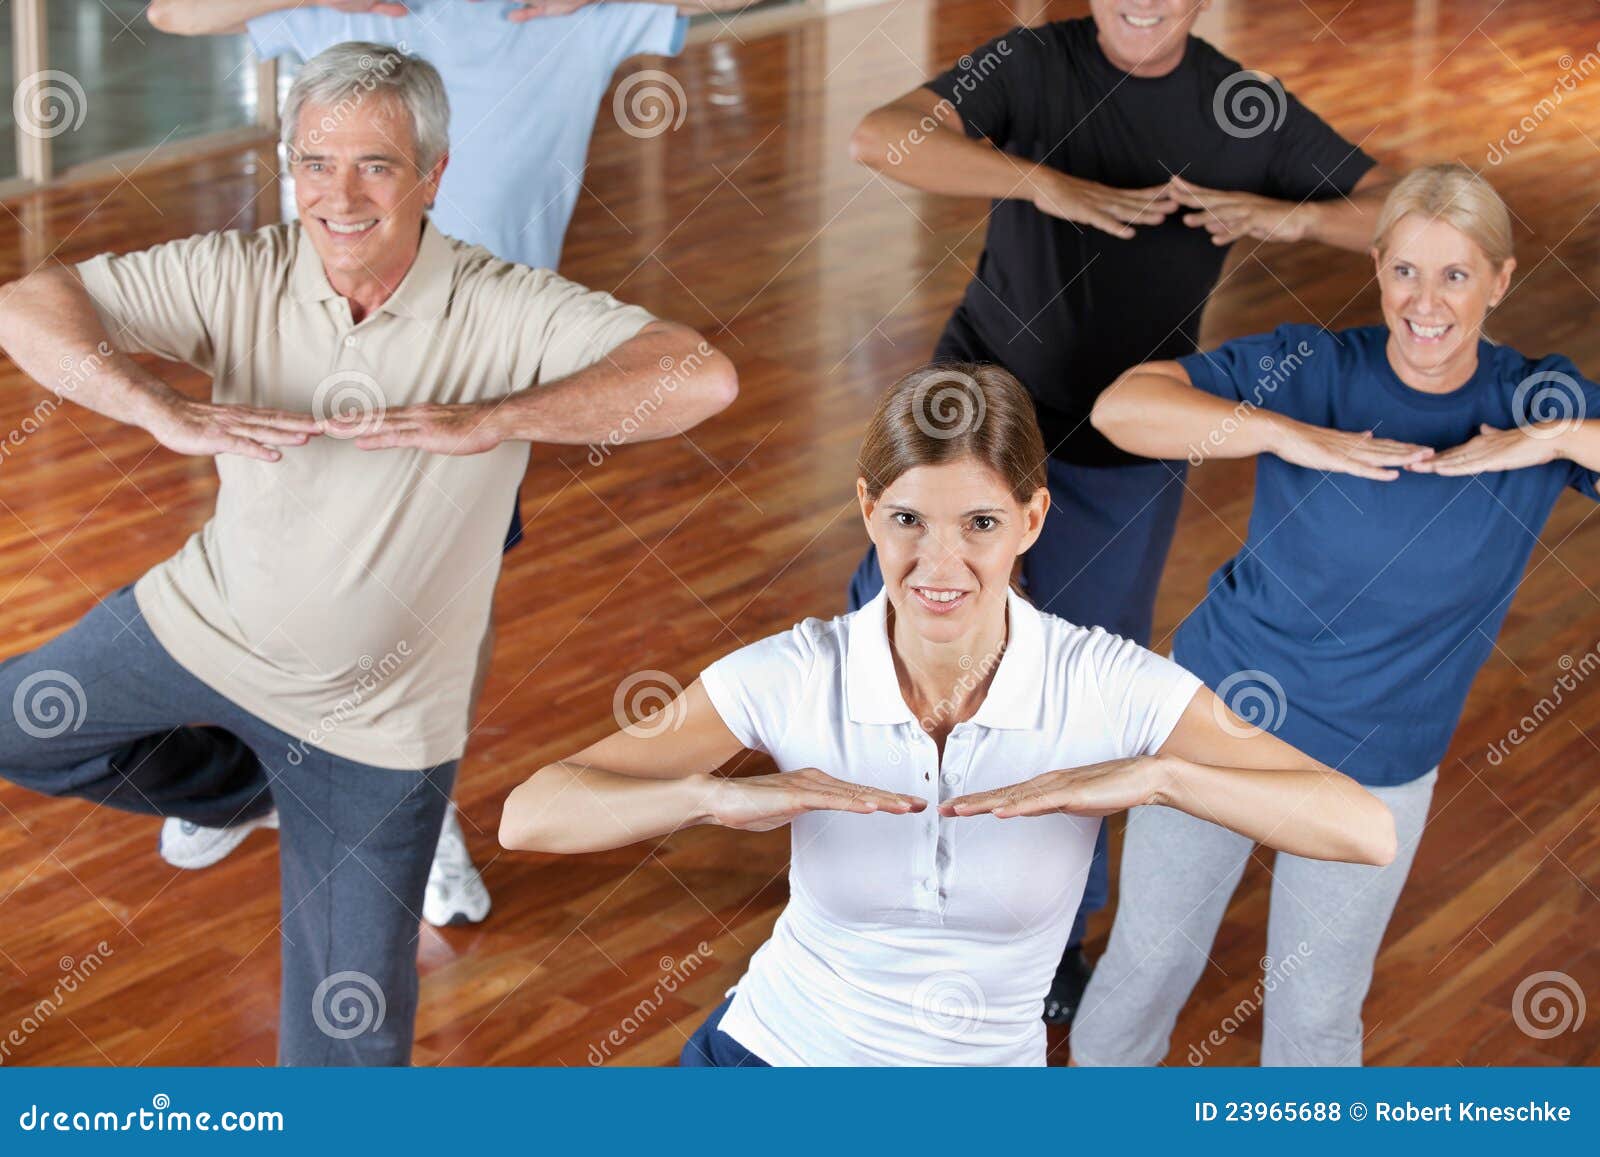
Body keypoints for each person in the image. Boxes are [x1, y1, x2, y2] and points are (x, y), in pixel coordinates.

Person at [0, 43, 735, 1065]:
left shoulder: (503, 305)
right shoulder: (239, 270)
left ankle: (284, 795)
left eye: (376, 165)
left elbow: (700, 377)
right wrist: (155, 405)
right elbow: (25, 302)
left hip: (379, 731)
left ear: (433, 174)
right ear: (288, 164)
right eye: (315, 162)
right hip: (201, 627)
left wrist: (499, 415)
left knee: (345, 1041)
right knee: (21, 726)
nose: (339, 194)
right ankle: (242, 790)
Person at [497, 362, 1395, 1066]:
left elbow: (1363, 829)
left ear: (1032, 519)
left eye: (979, 523)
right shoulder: (796, 673)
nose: (939, 563)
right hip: (770, 1060)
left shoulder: (1105, 684)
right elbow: (530, 814)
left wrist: (1160, 776)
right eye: (907, 520)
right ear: (866, 510)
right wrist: (709, 797)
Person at [844, 0, 1394, 1023]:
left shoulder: (1241, 108)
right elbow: (877, 135)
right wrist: (1040, 180)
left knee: (1075, 689)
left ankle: (1054, 932)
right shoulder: (1032, 64)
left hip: (1124, 439)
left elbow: (1404, 206)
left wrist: (1296, 216)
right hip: (978, 407)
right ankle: (877, 874)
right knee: (902, 641)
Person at [145, 0, 751, 922]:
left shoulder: (567, 19)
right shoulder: (332, 13)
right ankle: (248, 781)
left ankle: (414, 819)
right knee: (268, 585)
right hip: (306, 359)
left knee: (441, 614)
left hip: (470, 388)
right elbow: (175, 15)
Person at [1073, 163, 1600, 1066]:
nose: (1424, 302)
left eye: (1456, 275)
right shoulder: (1313, 368)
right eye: (1404, 271)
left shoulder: (1535, 401)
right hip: (1224, 715)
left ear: (1501, 282)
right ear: (1379, 267)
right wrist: (1284, 430)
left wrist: (1550, 438)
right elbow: (1122, 406)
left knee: (1317, 1013)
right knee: (1149, 960)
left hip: (1379, 760)